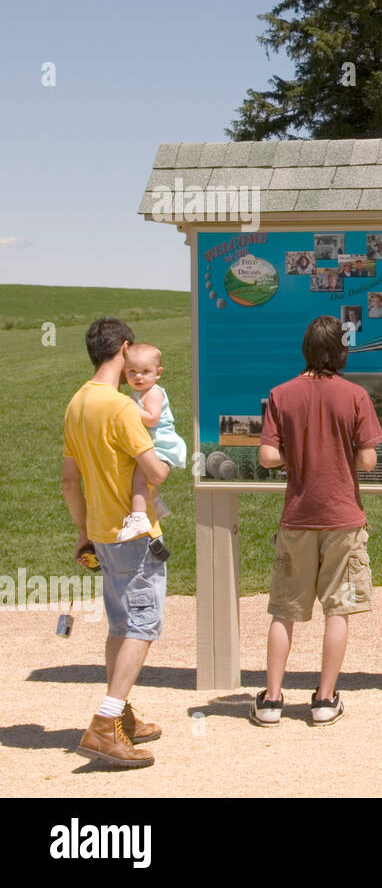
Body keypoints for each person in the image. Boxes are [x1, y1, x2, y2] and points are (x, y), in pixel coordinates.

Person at [252, 315, 382, 727]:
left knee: (284, 611)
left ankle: (272, 699)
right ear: (341, 353)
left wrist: (299, 458)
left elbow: (268, 457)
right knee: (337, 610)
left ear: (306, 349)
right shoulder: (356, 395)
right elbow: (367, 459)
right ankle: (324, 699)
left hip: (298, 516)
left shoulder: (281, 394)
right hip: (342, 516)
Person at [64, 318, 171, 768]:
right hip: (136, 533)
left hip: (102, 533)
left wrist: (84, 531)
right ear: (124, 349)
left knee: (120, 623)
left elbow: (70, 481)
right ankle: (105, 724)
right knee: (142, 626)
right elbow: (156, 472)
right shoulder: (122, 407)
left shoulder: (77, 403)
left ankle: (121, 712)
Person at [116, 343, 187, 541]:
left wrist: (129, 405)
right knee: (144, 478)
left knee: (139, 479)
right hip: (153, 442)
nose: (138, 377)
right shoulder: (140, 392)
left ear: (158, 373)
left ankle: (138, 518)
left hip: (161, 443)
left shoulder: (154, 392)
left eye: (145, 372)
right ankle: (155, 503)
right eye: (132, 371)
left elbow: (151, 418)